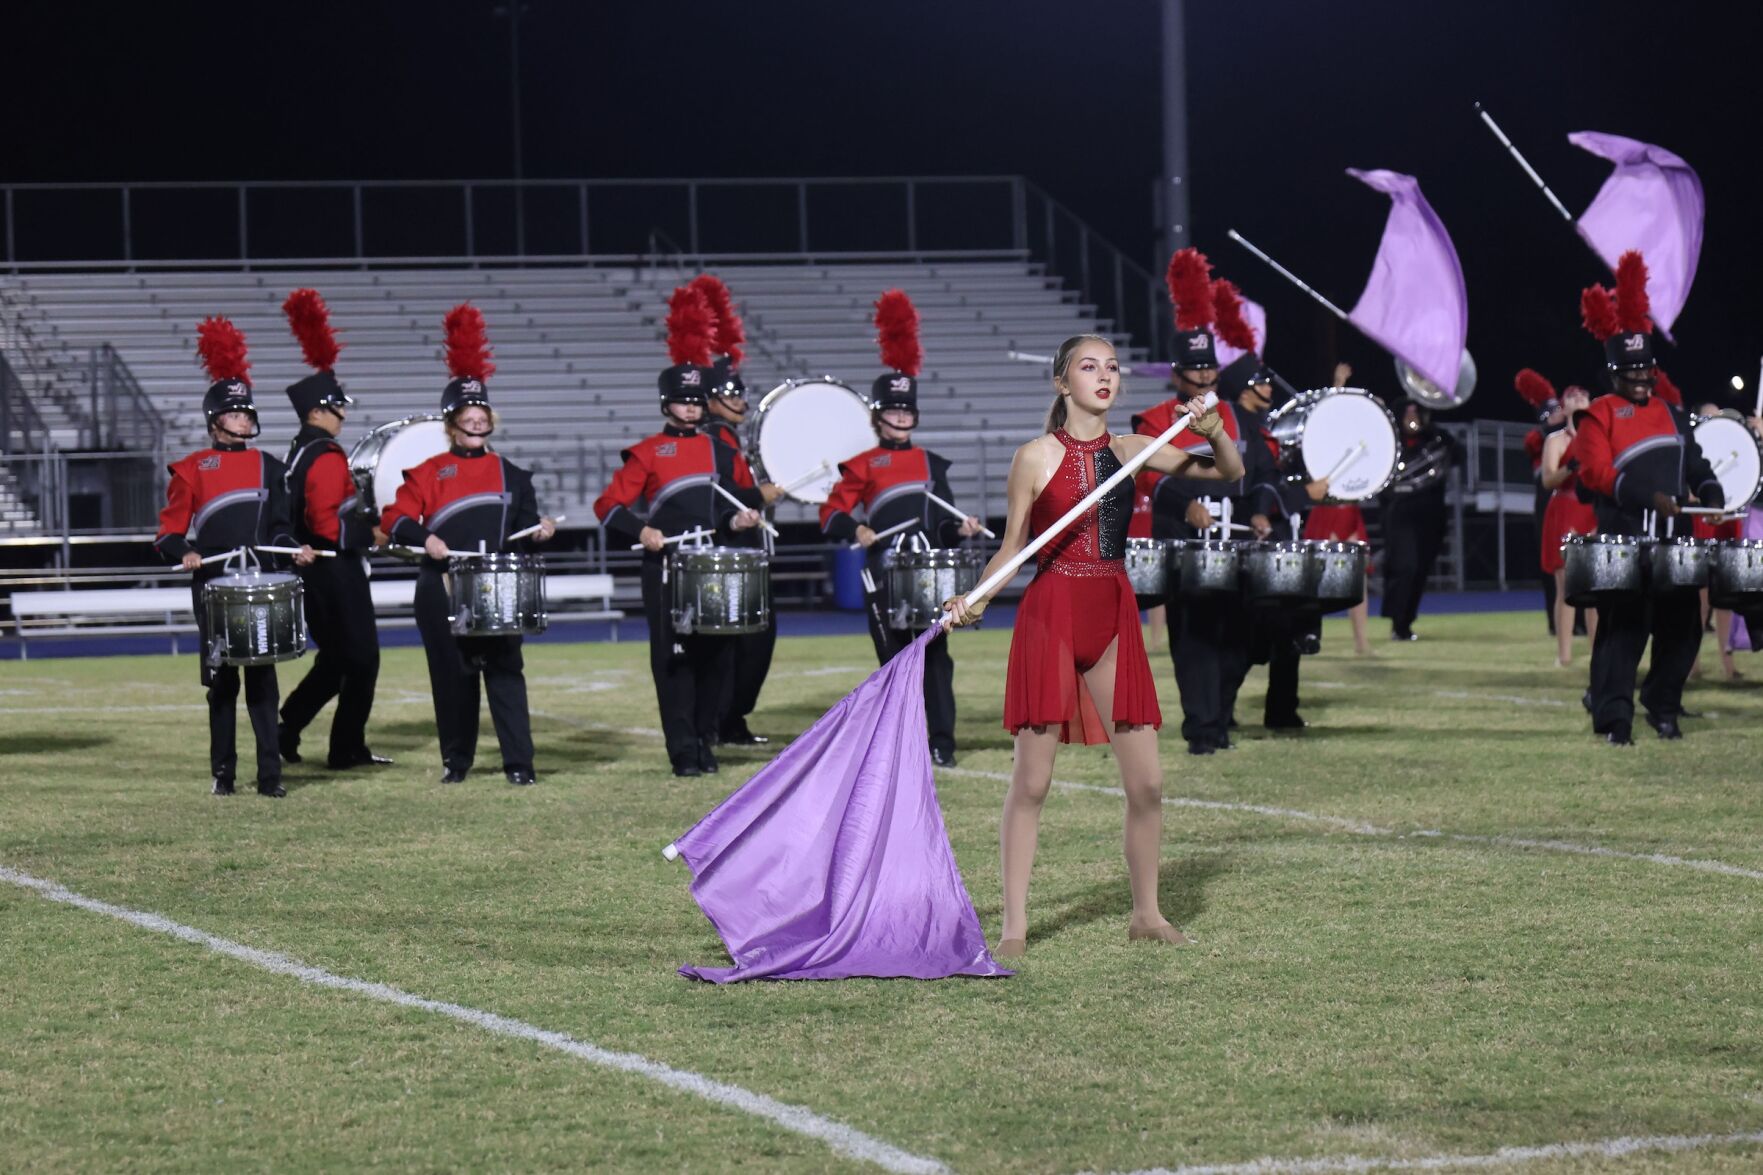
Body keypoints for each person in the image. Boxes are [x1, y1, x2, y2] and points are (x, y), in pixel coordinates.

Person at [942, 332, 1244, 958]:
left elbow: (1230, 472)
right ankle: (1015, 929)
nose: (1103, 377)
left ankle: (1147, 914)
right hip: (1051, 614)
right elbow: (1013, 548)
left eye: (1111, 367)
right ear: (1062, 382)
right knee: (1031, 784)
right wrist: (974, 598)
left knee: (1150, 785)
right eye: (1088, 367)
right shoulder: (1033, 457)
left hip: (1112, 609)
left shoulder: (1137, 449)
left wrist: (1212, 428)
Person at [593, 283, 766, 777]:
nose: (691, 408)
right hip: (666, 566)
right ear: (666, 404)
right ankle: (683, 750)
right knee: (674, 659)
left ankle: (706, 740)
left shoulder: (724, 451)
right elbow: (607, 505)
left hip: (714, 563)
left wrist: (741, 519)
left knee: (718, 657)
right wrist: (641, 529)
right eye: (682, 401)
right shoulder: (646, 451)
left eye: (697, 401)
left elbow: (732, 506)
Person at [380, 304, 555, 784]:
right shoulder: (428, 471)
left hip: (498, 586)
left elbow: (523, 536)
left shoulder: (512, 474)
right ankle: (456, 763)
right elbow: (394, 519)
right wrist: (427, 537)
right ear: (451, 422)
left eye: (482, 414)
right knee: (453, 679)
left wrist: (538, 532)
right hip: (441, 586)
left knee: (505, 673)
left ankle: (519, 765)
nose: (476, 421)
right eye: (467, 415)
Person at [820, 289, 983, 767]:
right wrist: (858, 529)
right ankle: (902, 744)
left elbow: (945, 524)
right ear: (878, 416)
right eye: (893, 412)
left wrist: (964, 528)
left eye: (907, 412)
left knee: (936, 660)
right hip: (884, 573)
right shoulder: (862, 464)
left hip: (930, 575)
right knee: (893, 661)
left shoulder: (932, 463)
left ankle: (941, 742)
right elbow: (830, 515)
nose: (901, 418)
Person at [154, 317, 312, 797]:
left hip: (260, 585)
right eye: (236, 413)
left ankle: (270, 778)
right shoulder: (191, 468)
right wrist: (186, 552)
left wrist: (293, 550)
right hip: (214, 587)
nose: (246, 419)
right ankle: (223, 774)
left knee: (263, 684)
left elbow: (280, 528)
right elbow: (167, 533)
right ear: (216, 420)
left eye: (248, 412)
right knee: (222, 683)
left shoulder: (270, 465)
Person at [1133, 252, 1280, 754]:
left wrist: (1261, 510)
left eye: (1210, 372)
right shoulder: (1154, 419)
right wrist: (1182, 503)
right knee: (1194, 640)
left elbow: (1261, 473)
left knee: (1242, 640)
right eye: (1195, 373)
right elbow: (1149, 475)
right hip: (1184, 548)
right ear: (1178, 375)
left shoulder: (1238, 418)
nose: (1204, 381)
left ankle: (1219, 717)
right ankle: (1203, 729)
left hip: (1237, 548)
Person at [1573, 252, 1722, 743]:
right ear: (1614, 374)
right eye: (1630, 372)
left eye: (1646, 371)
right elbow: (1594, 470)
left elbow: (1695, 463)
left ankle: (1662, 705)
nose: (1640, 379)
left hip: (1674, 539)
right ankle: (1615, 718)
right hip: (1623, 538)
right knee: (1623, 631)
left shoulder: (1674, 414)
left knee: (1683, 629)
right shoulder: (1601, 413)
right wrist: (1646, 496)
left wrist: (1711, 488)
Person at [275, 288, 391, 770]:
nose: (344, 413)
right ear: (319, 410)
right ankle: (345, 747)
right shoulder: (323, 453)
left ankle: (287, 727)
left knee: (339, 658)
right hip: (331, 566)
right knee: (362, 659)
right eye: (337, 406)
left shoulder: (299, 449)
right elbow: (328, 519)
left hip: (314, 568)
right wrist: (372, 536)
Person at [692, 274, 786, 745]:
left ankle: (731, 720)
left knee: (754, 641)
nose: (741, 401)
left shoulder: (733, 437)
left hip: (750, 548)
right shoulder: (710, 439)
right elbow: (718, 493)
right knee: (734, 642)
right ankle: (717, 721)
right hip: (726, 549)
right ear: (710, 400)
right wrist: (758, 497)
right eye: (731, 395)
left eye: (741, 394)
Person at [1299, 364, 1374, 656]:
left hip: (1350, 511)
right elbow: (1332, 418)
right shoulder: (1321, 441)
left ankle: (1362, 642)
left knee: (1358, 579)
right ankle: (1309, 636)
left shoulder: (1355, 444)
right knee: (1315, 578)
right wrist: (1338, 385)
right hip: (1327, 508)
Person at [1379, 400, 1461, 641]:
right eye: (1408, 412)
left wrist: (1435, 431)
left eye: (1417, 412)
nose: (1412, 417)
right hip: (1400, 513)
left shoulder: (1436, 440)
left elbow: (1458, 456)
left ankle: (1406, 622)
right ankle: (1397, 621)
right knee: (1405, 566)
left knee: (1420, 571)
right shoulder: (1392, 443)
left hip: (1430, 515)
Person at [1533, 379, 1598, 667]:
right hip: (1565, 508)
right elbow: (1548, 479)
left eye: (1583, 393)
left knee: (1595, 587)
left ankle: (1598, 652)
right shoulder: (1555, 440)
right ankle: (1565, 655)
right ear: (1564, 405)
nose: (1580, 396)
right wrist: (1569, 467)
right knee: (1566, 586)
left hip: (1592, 510)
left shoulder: (1599, 436)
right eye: (1573, 394)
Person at [1689, 400, 1743, 681]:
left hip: (1727, 528)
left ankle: (1728, 664)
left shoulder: (1733, 452)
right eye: (1709, 417)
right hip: (1702, 529)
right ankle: (1692, 663)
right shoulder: (1692, 451)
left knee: (1725, 602)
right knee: (1700, 603)